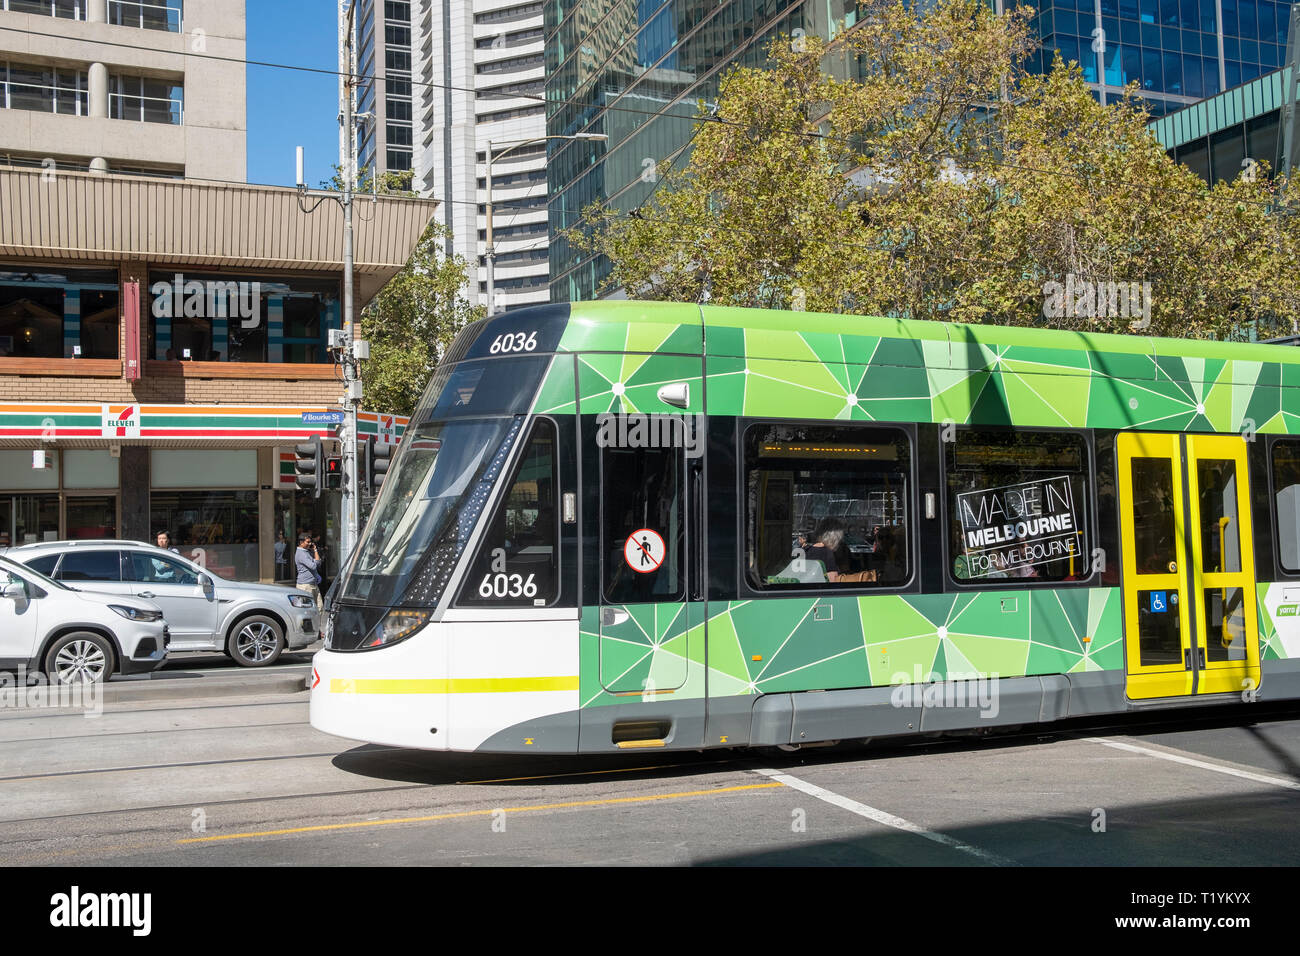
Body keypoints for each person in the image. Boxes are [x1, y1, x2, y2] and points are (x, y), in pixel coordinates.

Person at [295, 532, 322, 610]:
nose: (310, 544)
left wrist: (315, 550)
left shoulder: (306, 552)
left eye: (310, 542)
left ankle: (317, 623)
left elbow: (318, 562)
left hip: (313, 584)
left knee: (319, 608)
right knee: (308, 610)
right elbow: (313, 566)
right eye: (307, 542)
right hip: (305, 586)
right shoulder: (300, 553)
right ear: (301, 542)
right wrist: (315, 562)